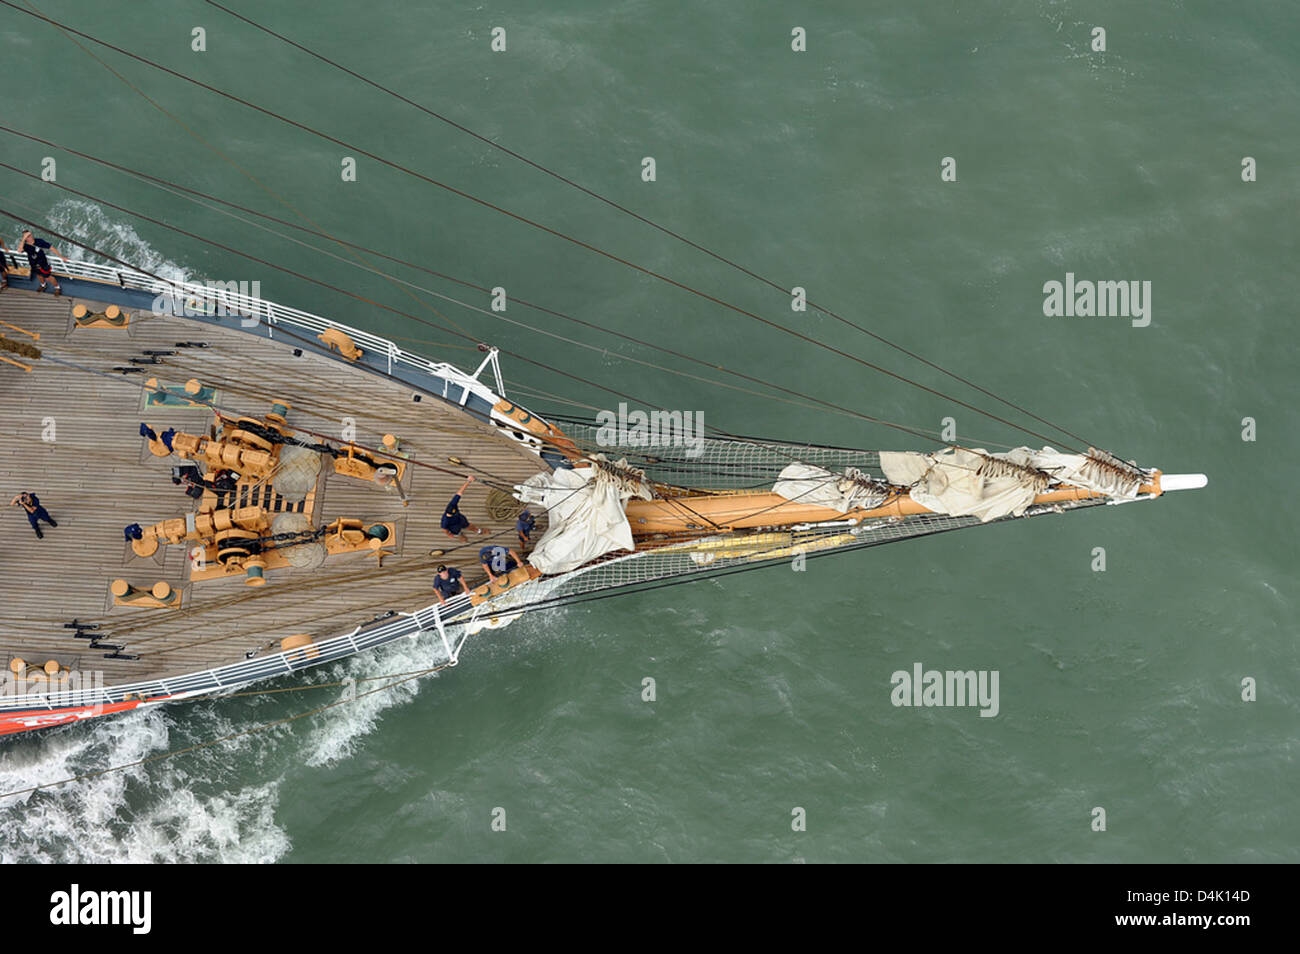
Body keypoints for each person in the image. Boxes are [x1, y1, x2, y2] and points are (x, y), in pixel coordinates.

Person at [440, 475, 485, 542]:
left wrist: (468, 481)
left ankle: (477, 530)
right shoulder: (445, 521)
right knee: (457, 531)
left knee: (468, 525)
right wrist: (448, 534)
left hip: (460, 518)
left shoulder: (452, 504)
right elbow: (444, 529)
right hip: (453, 526)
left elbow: (459, 493)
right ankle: (460, 535)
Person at [18, 230, 61, 295]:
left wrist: (61, 256)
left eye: (29, 235)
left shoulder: (39, 241)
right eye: (27, 236)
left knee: (48, 277)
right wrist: (24, 239)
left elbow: (51, 248)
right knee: (39, 275)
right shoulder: (25, 245)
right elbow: (19, 250)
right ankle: (43, 285)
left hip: (43, 264)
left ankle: (57, 287)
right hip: (34, 265)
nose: (29, 237)